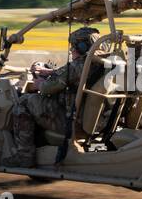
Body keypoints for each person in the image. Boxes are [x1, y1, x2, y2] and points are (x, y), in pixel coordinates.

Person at [6, 26, 98, 167]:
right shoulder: (98, 63)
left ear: (82, 46)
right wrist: (49, 72)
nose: (71, 50)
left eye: (74, 46)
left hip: (70, 121)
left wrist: (39, 84)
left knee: (24, 102)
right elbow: (68, 75)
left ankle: (24, 155)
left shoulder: (78, 65)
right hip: (90, 120)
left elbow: (47, 89)